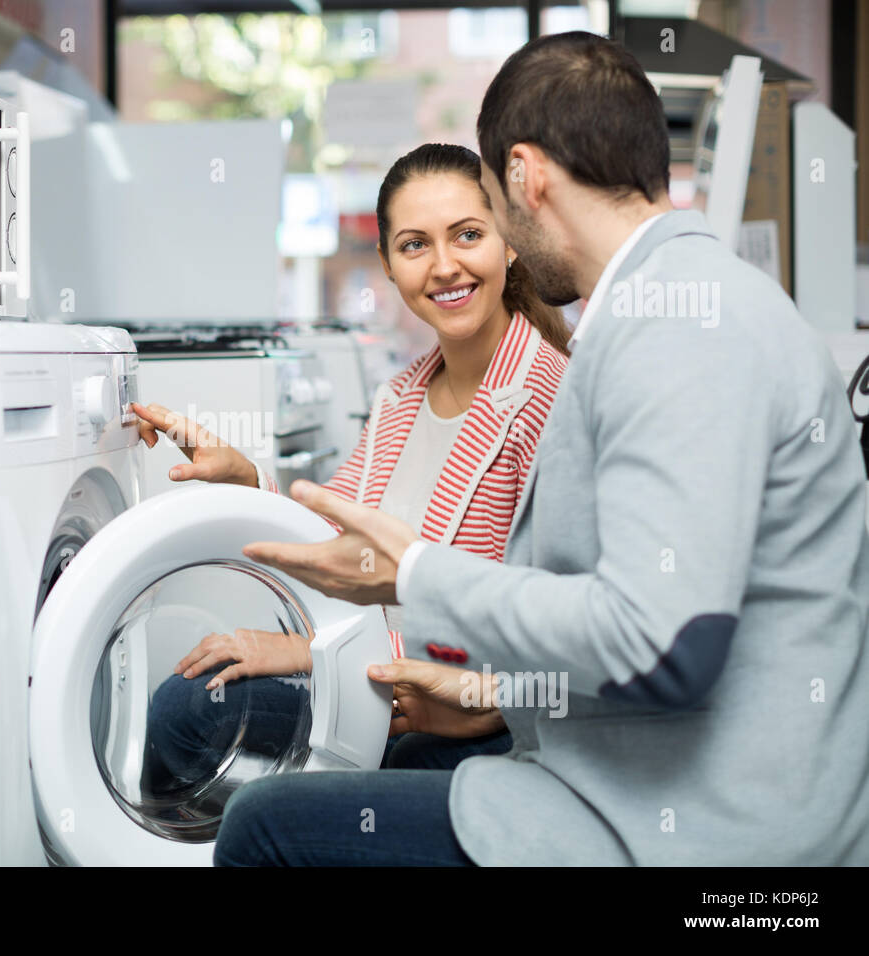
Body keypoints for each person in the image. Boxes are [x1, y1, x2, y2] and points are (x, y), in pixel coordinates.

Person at [215, 30, 869, 866]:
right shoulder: (660, 305)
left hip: (699, 831)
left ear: (523, 175)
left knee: (265, 827)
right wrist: (498, 691)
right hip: (633, 775)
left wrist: (417, 574)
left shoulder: (677, 325)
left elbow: (661, 646)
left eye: (488, 202)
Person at [132, 143, 569, 795]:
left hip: (483, 729)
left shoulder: (549, 399)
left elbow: (560, 622)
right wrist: (245, 482)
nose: (445, 265)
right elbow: (340, 546)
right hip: (385, 694)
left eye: (468, 235)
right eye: (416, 245)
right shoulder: (402, 397)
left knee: (233, 769)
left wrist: (307, 655)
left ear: (510, 244)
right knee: (187, 705)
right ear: (390, 267)